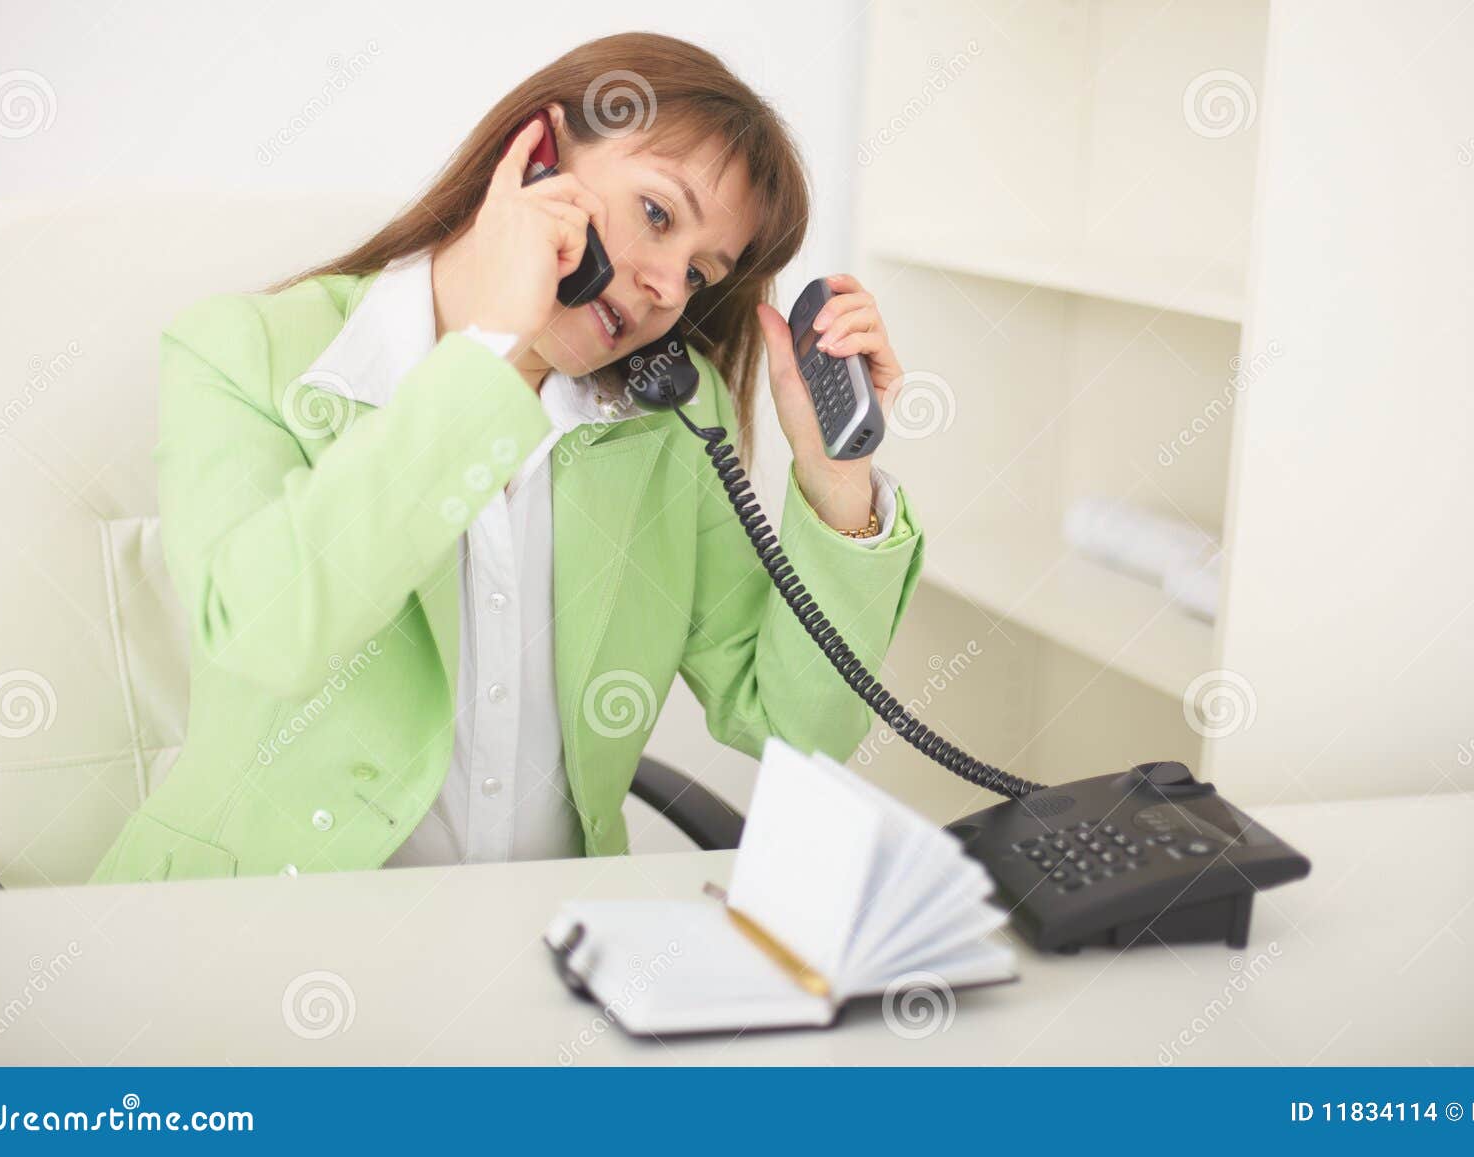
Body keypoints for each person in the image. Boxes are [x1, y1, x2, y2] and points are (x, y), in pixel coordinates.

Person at [89, 31, 923, 884]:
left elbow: (794, 723)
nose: (671, 288)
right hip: (248, 941)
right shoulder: (243, 353)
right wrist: (500, 357)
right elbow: (268, 637)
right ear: (539, 157)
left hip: (536, 950)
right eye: (658, 214)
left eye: (703, 275)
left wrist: (836, 487)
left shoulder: (670, 417)